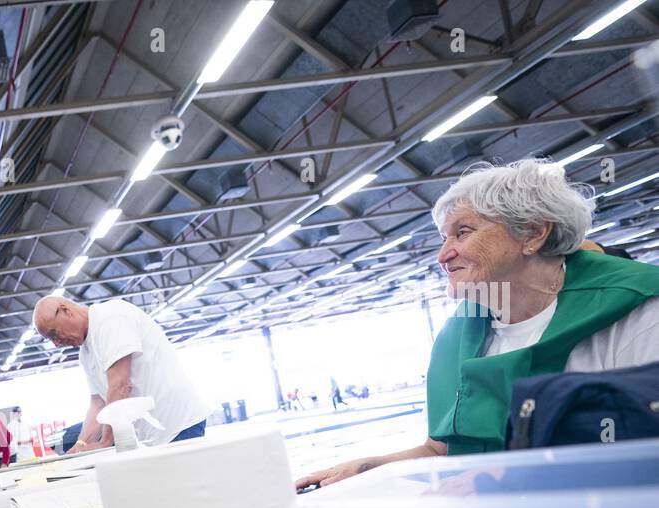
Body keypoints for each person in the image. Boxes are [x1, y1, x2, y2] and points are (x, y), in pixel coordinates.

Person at [296, 158, 659, 489]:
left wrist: (506, 481)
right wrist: (370, 467)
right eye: (443, 238)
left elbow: (641, 454)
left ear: (532, 233)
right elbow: (441, 452)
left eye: (463, 232)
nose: (443, 255)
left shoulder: (635, 309)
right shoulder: (458, 337)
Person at [33, 295, 213, 449]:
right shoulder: (86, 354)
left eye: (53, 334)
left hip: (178, 424)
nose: (56, 344)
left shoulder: (110, 319)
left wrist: (107, 441)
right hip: (153, 436)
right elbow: (98, 403)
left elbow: (120, 384)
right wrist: (80, 445)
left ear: (66, 310)